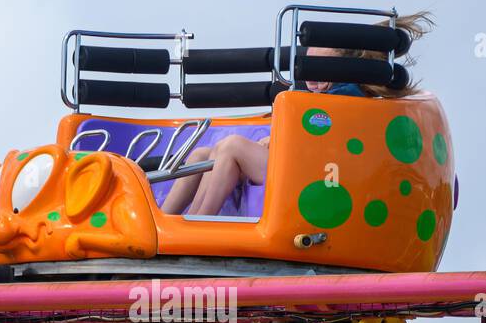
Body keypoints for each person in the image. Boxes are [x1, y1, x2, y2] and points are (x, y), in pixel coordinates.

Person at [161, 12, 432, 217]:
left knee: (232, 146)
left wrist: (273, 142)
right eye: (308, 69)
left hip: (313, 175)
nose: (312, 79)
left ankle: (199, 220)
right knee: (202, 154)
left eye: (321, 69)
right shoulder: (319, 98)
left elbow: (313, 139)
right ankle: (166, 220)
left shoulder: (346, 98)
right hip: (297, 166)